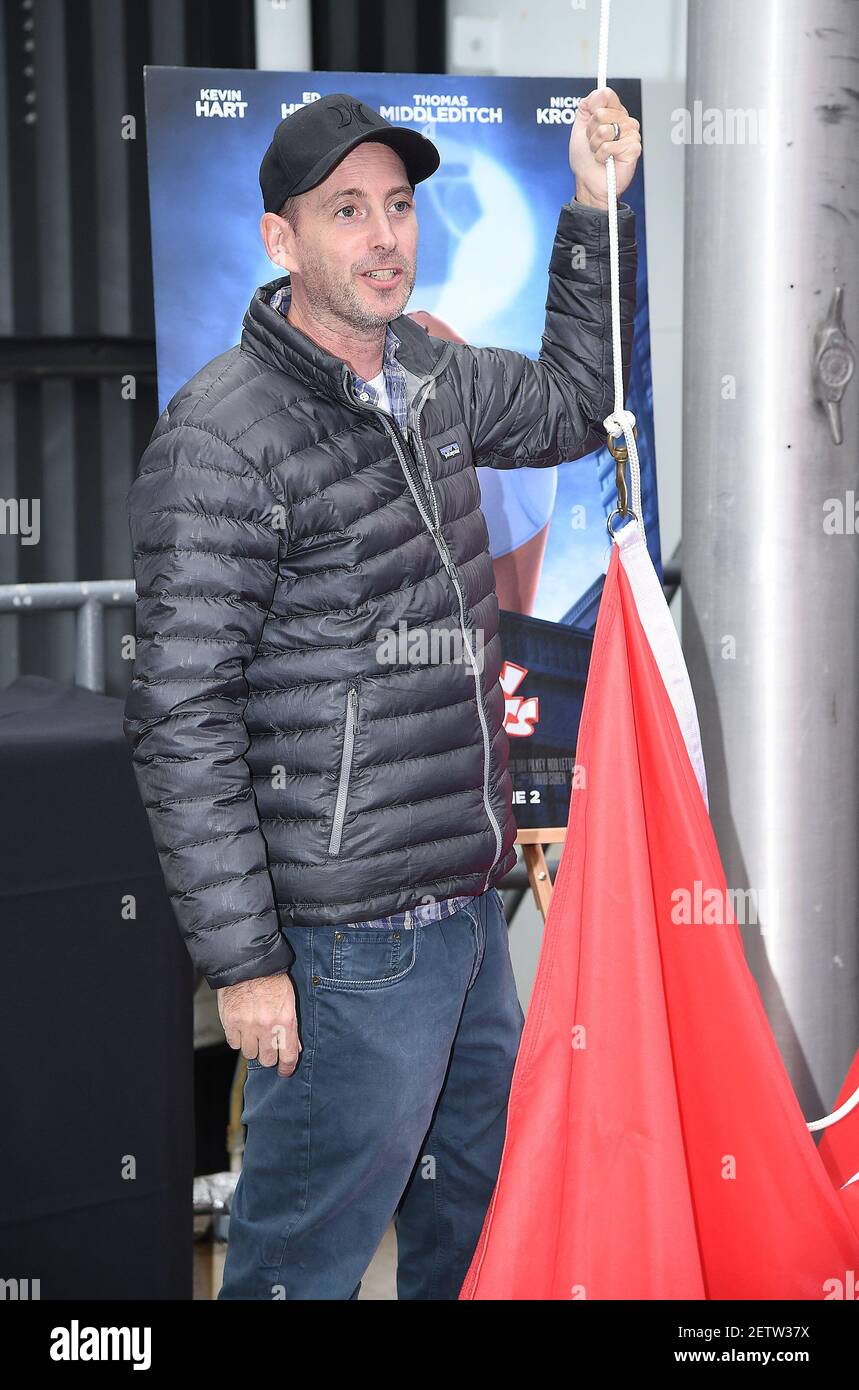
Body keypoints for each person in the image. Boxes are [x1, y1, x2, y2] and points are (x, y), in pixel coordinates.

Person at [124, 88, 641, 1300]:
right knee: (299, 1262)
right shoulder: (220, 437)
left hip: (467, 917)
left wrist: (591, 211)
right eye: (345, 210)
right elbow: (177, 716)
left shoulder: (432, 374)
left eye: (399, 207)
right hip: (343, 950)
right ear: (279, 239)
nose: (382, 237)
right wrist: (247, 962)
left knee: (474, 1231)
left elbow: (576, 400)